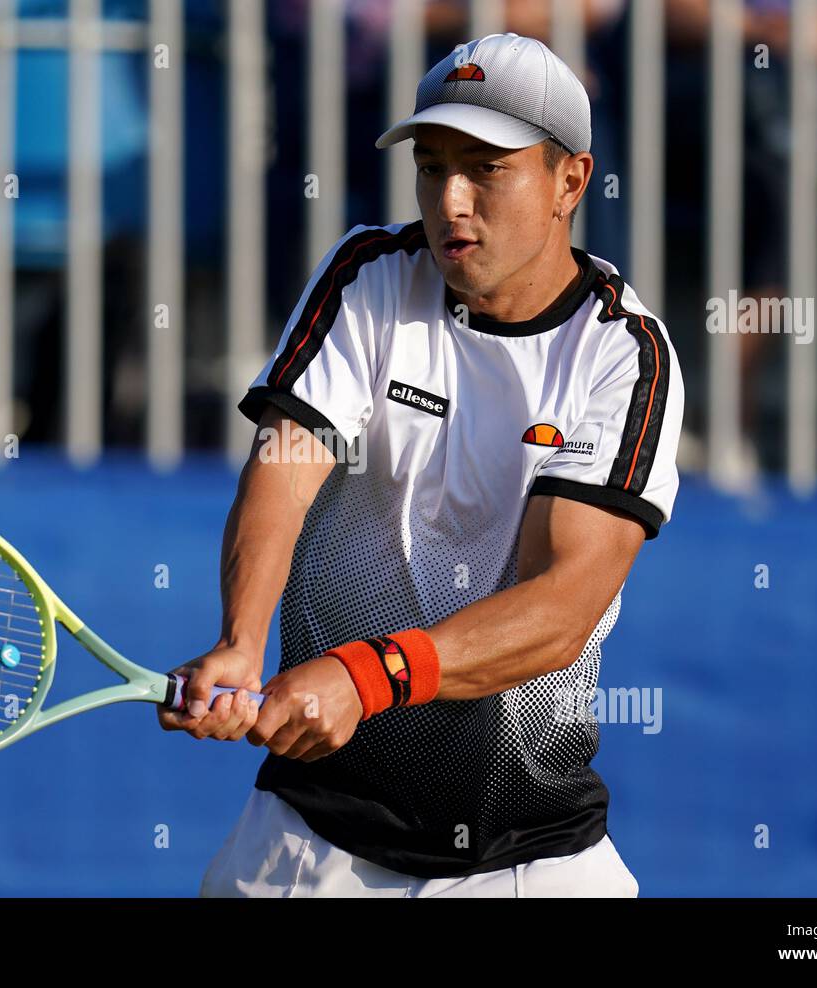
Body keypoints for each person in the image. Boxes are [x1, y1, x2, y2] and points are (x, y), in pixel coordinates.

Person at [159, 33, 685, 897]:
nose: (451, 199)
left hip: (533, 861)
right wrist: (243, 642)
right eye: (432, 164)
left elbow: (562, 606)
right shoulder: (369, 273)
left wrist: (368, 677)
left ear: (571, 182)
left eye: (486, 168)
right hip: (306, 845)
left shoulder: (626, 355)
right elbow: (285, 472)